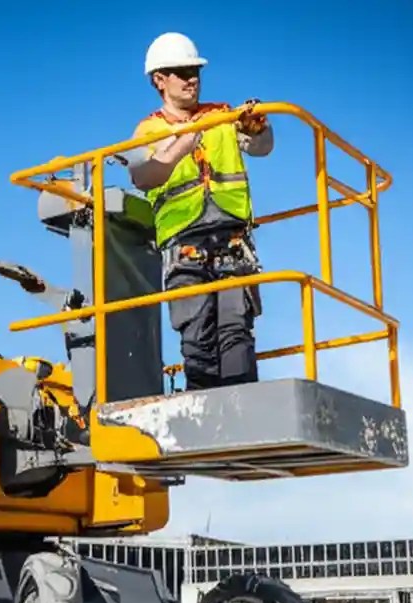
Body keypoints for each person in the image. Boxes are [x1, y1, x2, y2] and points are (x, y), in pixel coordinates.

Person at [126, 32, 273, 391]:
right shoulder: (149, 130)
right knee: (198, 340)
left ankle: (243, 410)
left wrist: (259, 128)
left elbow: (262, 148)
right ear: (159, 80)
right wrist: (182, 144)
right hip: (185, 246)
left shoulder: (222, 115)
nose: (192, 78)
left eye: (194, 70)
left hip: (232, 241)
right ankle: (205, 419)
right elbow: (142, 176)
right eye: (181, 71)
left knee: (236, 331)